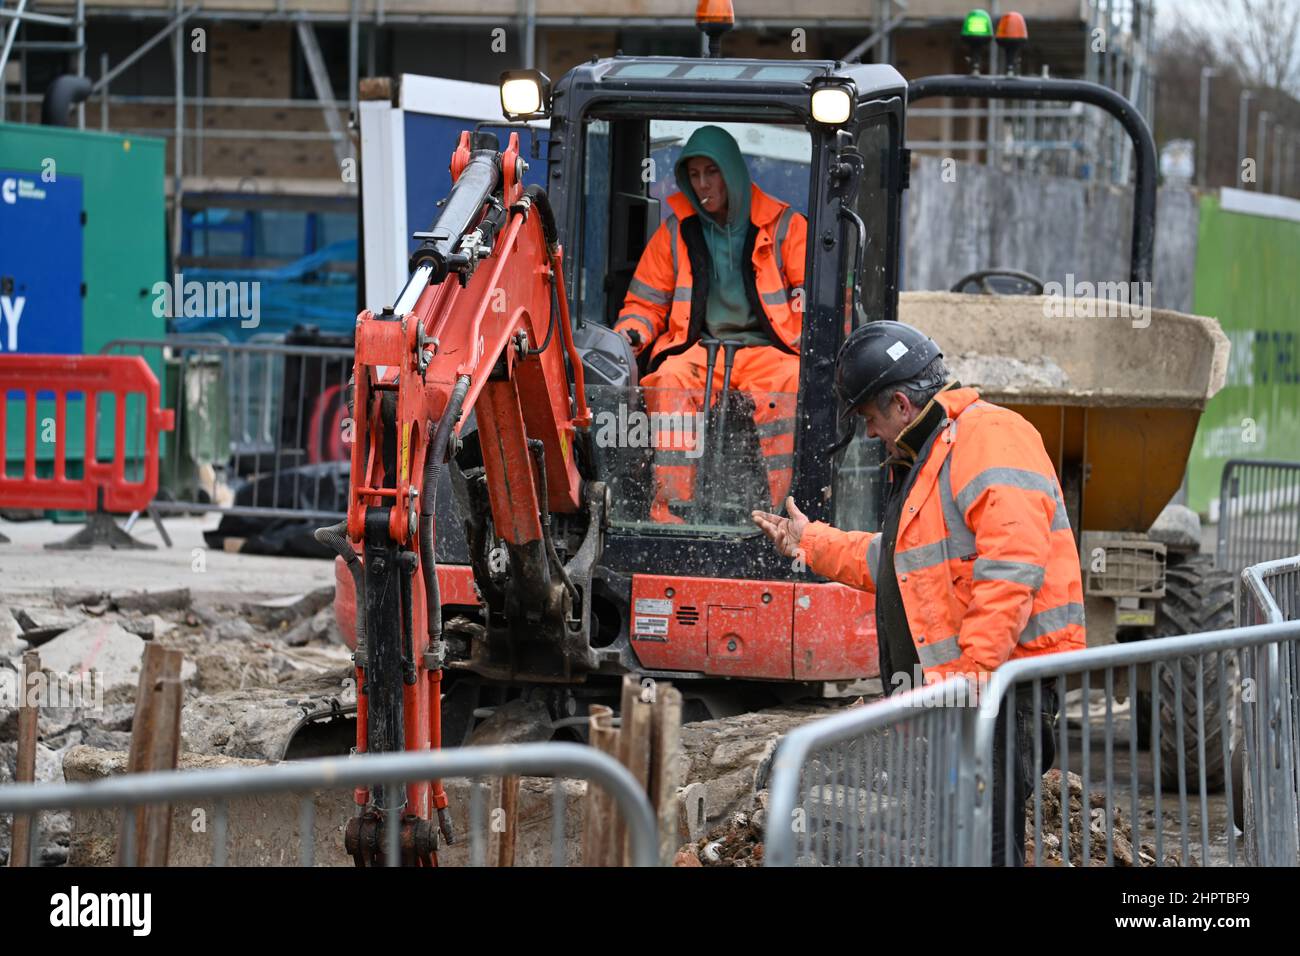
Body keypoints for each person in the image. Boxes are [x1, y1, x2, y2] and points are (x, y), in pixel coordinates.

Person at [750, 320, 1086, 865]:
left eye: (870, 419)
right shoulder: (937, 454)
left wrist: (969, 679)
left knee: (987, 843)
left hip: (997, 691)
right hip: (969, 694)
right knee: (960, 839)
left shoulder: (991, 437)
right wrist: (809, 541)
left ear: (902, 404)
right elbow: (897, 564)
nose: (871, 434)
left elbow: (1011, 569)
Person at [614, 125, 807, 523]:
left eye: (711, 172)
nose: (702, 184)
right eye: (694, 175)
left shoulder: (786, 227)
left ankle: (785, 514)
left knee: (791, 381)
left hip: (771, 351)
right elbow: (645, 304)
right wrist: (629, 336)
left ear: (732, 172)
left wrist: (812, 345)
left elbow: (819, 307)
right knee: (668, 379)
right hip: (703, 351)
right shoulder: (676, 231)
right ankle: (672, 510)